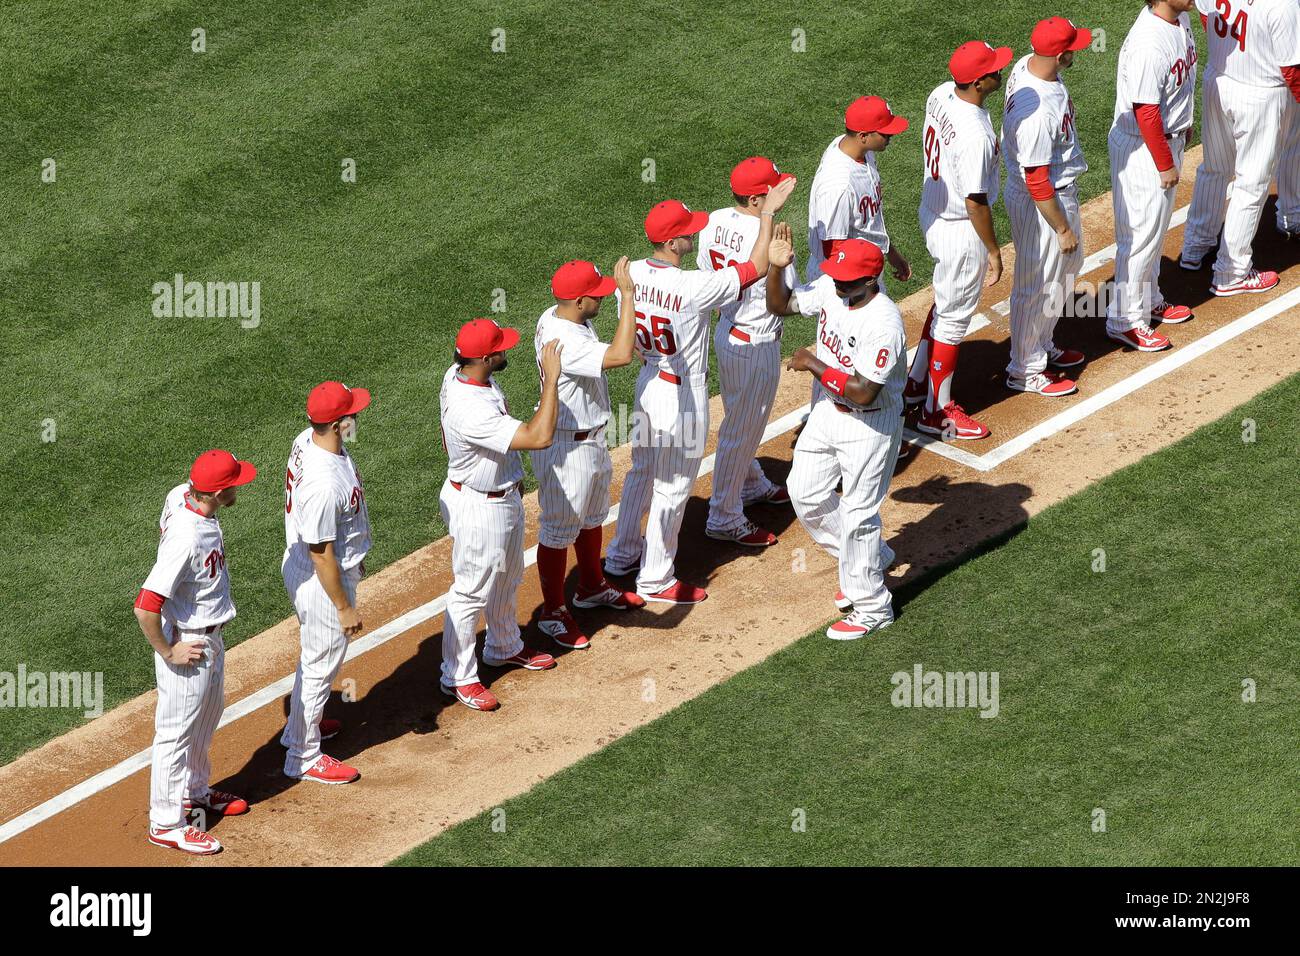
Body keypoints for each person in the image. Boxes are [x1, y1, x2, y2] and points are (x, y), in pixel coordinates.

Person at [605, 178, 796, 604]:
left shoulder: (631, 274)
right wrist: (768, 214)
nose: (694, 232)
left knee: (641, 471)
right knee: (672, 487)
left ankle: (621, 555)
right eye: (687, 230)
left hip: (648, 384)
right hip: (681, 401)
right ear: (673, 243)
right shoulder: (692, 287)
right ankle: (656, 579)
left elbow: (631, 341)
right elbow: (757, 269)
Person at [767, 227, 907, 639]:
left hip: (870, 424)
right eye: (835, 275)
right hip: (830, 412)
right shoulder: (834, 286)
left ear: (869, 281)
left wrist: (813, 364)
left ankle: (872, 606)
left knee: (860, 514)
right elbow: (781, 304)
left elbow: (864, 393)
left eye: (845, 279)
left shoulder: (884, 323)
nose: (836, 281)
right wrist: (777, 269)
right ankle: (869, 557)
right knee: (805, 492)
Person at [136, 449, 257, 854]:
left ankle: (195, 790)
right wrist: (170, 650)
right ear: (218, 492)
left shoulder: (180, 496)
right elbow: (146, 604)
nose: (240, 487)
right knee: (175, 733)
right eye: (235, 484)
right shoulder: (187, 537)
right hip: (189, 641)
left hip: (209, 634)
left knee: (208, 715)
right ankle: (166, 823)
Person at [438, 320, 562, 711]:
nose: (507, 350)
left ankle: (504, 645)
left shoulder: (462, 374)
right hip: (479, 505)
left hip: (496, 494)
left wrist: (510, 476)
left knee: (508, 575)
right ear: (486, 358)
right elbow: (538, 437)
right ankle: (457, 676)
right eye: (501, 348)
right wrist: (551, 381)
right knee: (471, 590)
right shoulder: (470, 408)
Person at [532, 258, 645, 653]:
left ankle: (591, 585)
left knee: (593, 517)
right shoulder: (568, 343)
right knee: (558, 530)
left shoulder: (559, 314)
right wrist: (628, 296)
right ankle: (552, 611)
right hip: (567, 448)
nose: (603, 296)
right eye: (596, 295)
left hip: (589, 438)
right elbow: (620, 356)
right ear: (578, 301)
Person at [905, 40, 1014, 442]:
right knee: (953, 319)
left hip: (932, 211)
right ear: (980, 81)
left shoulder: (940, 93)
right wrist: (992, 249)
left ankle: (917, 383)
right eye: (994, 69)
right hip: (959, 227)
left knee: (945, 302)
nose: (1000, 72)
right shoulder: (975, 136)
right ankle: (936, 410)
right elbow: (975, 200)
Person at [697, 156, 798, 547]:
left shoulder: (712, 222)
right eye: (773, 188)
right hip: (756, 343)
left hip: (728, 332)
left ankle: (752, 482)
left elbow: (712, 280)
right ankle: (723, 515)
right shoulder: (769, 234)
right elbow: (784, 297)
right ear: (757, 200)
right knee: (740, 431)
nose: (782, 191)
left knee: (740, 421)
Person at [281, 381, 372, 784]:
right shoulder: (322, 485)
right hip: (321, 579)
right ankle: (303, 755)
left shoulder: (310, 439)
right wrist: (343, 605)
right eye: (352, 413)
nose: (358, 416)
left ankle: (298, 730)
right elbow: (321, 553)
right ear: (336, 424)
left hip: (313, 567)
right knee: (321, 665)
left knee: (315, 657)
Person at [1179, 0, 1300, 295]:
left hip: (1219, 82)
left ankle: (1196, 245)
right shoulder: (1283, 5)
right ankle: (1231, 272)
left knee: (1215, 168)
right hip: (1261, 96)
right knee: (1251, 184)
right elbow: (1292, 71)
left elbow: (1206, 15)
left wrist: (1235, 53)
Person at [1001, 17, 1093, 397]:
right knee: (1034, 283)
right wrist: (1061, 227)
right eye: (1072, 48)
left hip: (1052, 193)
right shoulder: (1037, 113)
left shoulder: (1029, 64)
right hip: (1043, 201)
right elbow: (1037, 179)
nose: (1077, 51)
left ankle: (1041, 343)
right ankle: (1024, 367)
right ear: (1058, 55)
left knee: (1067, 268)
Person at [1105, 0, 1199, 353]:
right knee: (1140, 236)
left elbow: (1177, 84)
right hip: (1142, 149)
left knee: (1154, 230)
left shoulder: (1180, 18)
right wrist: (1164, 162)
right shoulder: (1148, 42)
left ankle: (1148, 298)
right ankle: (1124, 319)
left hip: (1164, 138)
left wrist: (1183, 127)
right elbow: (1145, 110)